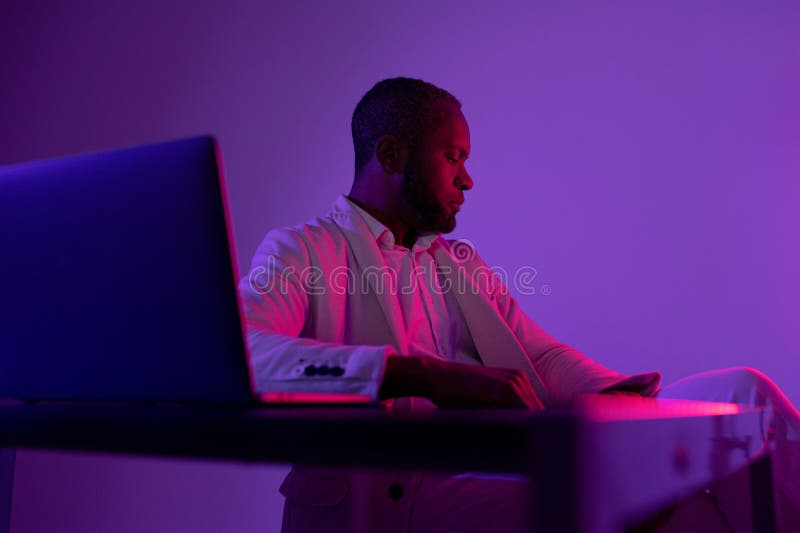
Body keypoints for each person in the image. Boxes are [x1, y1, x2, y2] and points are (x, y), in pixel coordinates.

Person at [238, 77, 800, 532]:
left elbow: (541, 356)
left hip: (502, 461)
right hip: (402, 495)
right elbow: (243, 351)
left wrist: (618, 398)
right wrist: (425, 376)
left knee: (743, 396)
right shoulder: (304, 249)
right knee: (658, 508)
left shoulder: (458, 261)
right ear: (391, 155)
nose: (468, 178)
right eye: (453, 156)